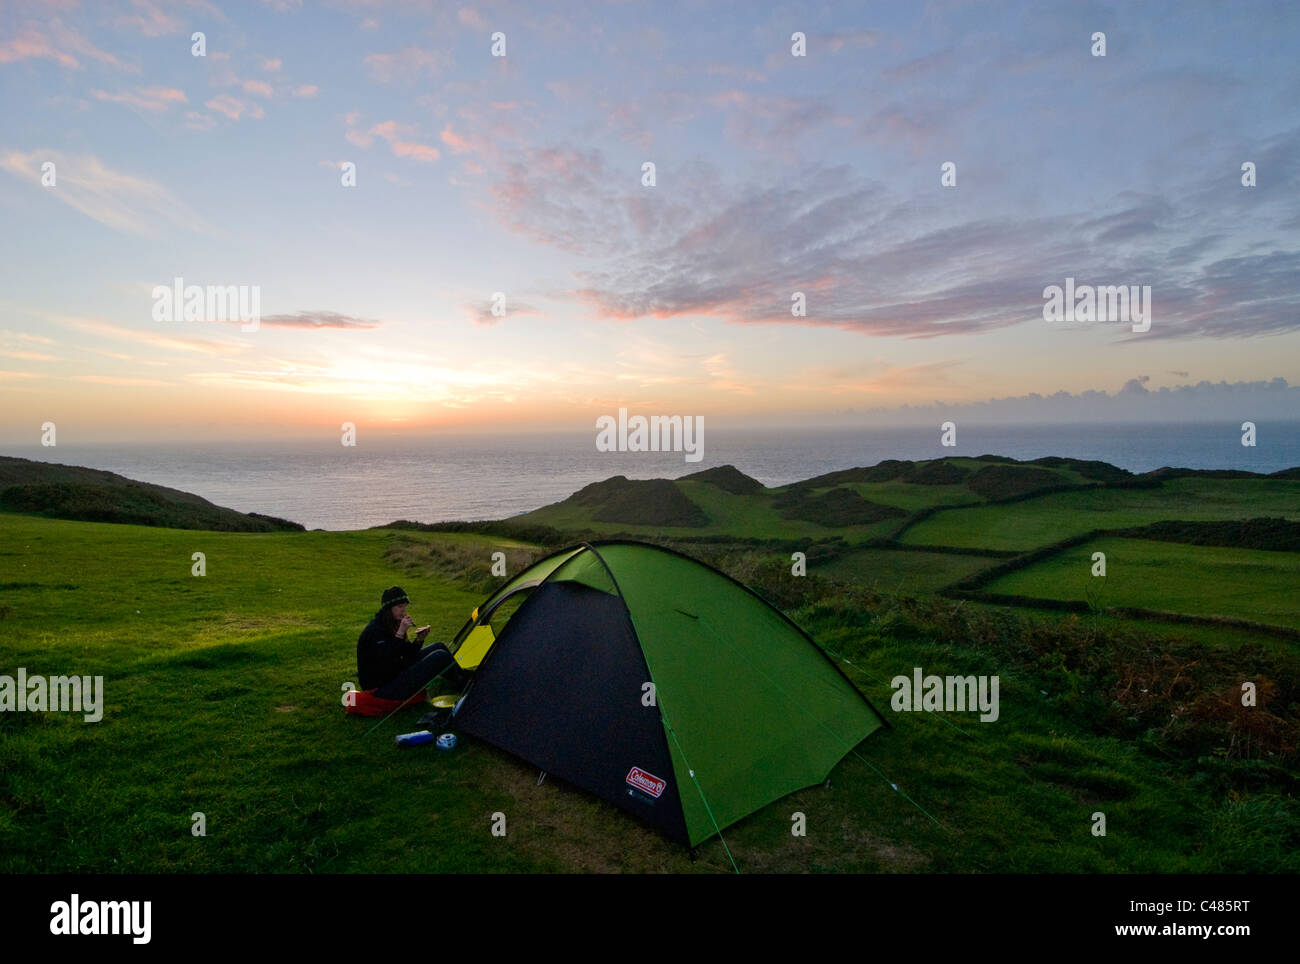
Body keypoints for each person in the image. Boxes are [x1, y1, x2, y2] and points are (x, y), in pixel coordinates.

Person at [357, 586, 468, 702]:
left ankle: (463, 679)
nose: (403, 611)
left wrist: (419, 640)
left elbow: (406, 655)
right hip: (381, 688)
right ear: (388, 608)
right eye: (400, 607)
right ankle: (466, 686)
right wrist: (400, 633)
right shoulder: (374, 631)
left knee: (439, 646)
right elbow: (386, 663)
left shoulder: (391, 623)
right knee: (440, 656)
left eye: (405, 607)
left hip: (394, 675)